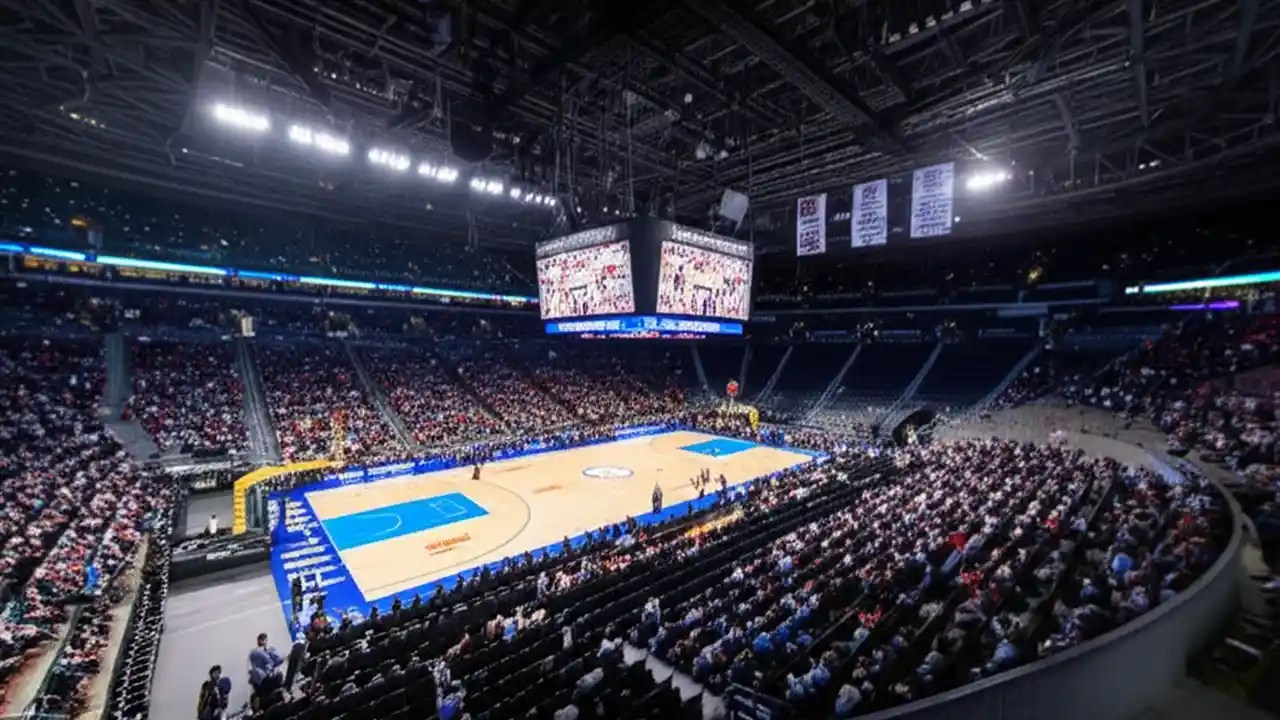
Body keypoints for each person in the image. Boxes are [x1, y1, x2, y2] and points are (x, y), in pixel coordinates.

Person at [248, 633, 284, 701]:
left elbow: (279, 660)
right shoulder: (258, 652)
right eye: (263, 640)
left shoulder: (268, 650)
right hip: (266, 679)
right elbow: (276, 661)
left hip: (262, 681)